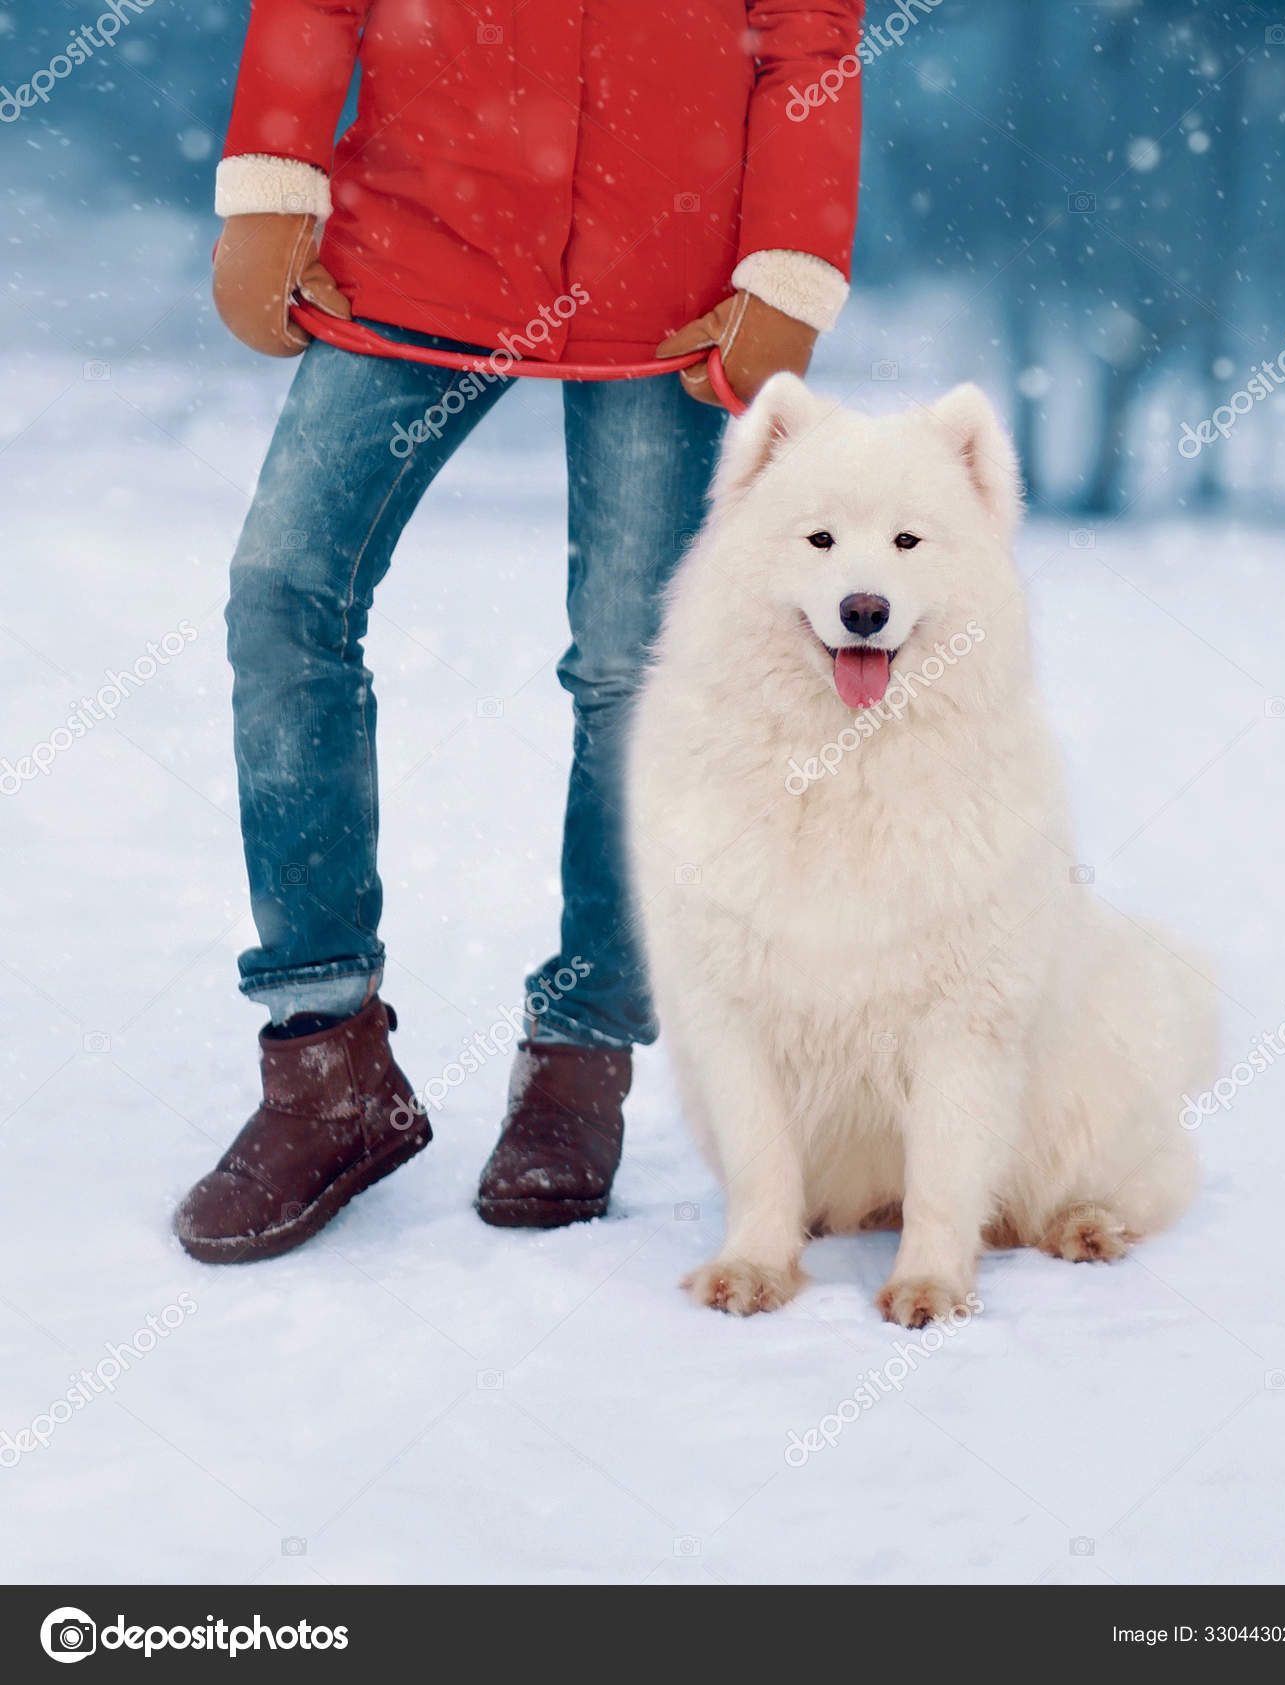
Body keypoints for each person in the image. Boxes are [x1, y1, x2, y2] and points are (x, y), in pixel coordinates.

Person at [175, 1, 864, 1263]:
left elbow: (808, 37)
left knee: (629, 672)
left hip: (664, 287)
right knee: (282, 592)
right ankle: (326, 1068)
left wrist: (788, 264)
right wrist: (274, 185)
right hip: (417, 239)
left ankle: (581, 1058)